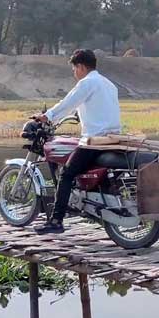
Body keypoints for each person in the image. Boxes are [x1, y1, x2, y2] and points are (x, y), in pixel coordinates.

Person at [33, 49, 122, 234]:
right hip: (114, 139)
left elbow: (68, 102)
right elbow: (96, 107)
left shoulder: (87, 83)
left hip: (95, 141)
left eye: (74, 69)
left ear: (80, 66)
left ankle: (56, 221)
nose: (74, 73)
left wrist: (47, 116)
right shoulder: (108, 84)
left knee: (66, 174)